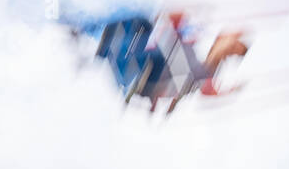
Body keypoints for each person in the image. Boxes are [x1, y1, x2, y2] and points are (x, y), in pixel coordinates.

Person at [70, 9, 249, 110]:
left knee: (165, 50)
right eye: (229, 44)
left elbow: (209, 92)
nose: (227, 48)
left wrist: (230, 91)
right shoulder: (192, 46)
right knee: (141, 21)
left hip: (152, 78)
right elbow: (171, 16)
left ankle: (99, 49)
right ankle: (84, 30)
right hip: (145, 60)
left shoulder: (207, 72)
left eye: (231, 49)